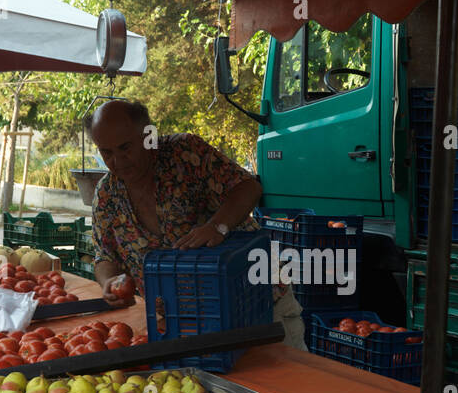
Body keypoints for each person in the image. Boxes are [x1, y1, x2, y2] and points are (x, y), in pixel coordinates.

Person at [88, 99, 307, 350]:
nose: (117, 161)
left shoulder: (185, 153)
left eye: (125, 147)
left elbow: (249, 187)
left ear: (147, 134)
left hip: (260, 302)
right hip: (188, 324)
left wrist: (217, 226)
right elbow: (104, 255)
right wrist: (109, 281)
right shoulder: (107, 195)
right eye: (106, 152)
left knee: (288, 381)